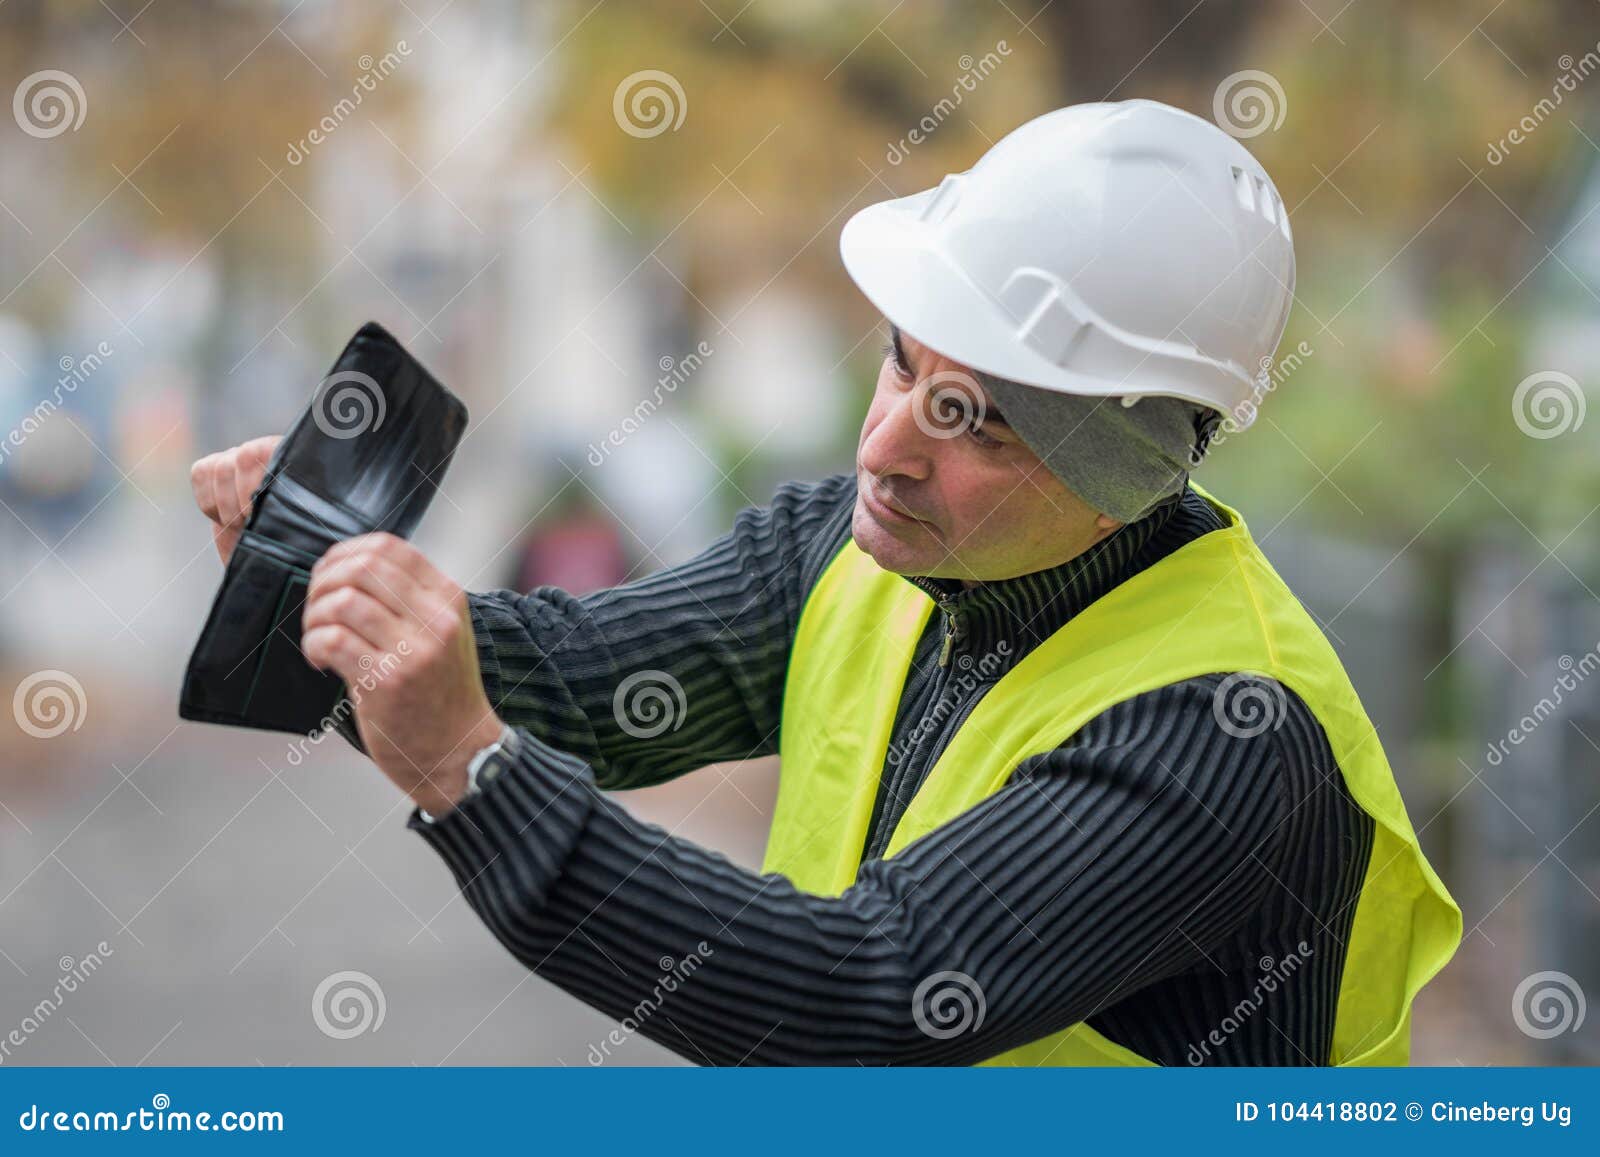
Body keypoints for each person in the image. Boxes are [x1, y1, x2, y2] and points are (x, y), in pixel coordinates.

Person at [188, 100, 1461, 1066]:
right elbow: (579, 681)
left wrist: (473, 773)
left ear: (1117, 471)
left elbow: (874, 992)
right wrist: (336, 599)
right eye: (903, 367)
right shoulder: (849, 547)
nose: (884, 447)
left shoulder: (1226, 731)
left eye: (979, 423)